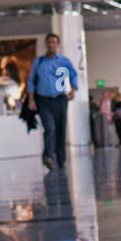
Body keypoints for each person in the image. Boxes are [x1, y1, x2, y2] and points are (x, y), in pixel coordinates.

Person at [26, 33, 78, 170]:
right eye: (49, 42)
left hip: (60, 98)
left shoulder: (64, 61)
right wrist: (31, 99)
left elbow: (73, 75)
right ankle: (48, 155)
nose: (51, 45)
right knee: (49, 127)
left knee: (61, 128)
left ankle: (61, 158)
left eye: (54, 42)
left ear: (58, 45)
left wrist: (73, 89)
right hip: (43, 100)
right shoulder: (39, 62)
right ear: (46, 44)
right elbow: (31, 80)